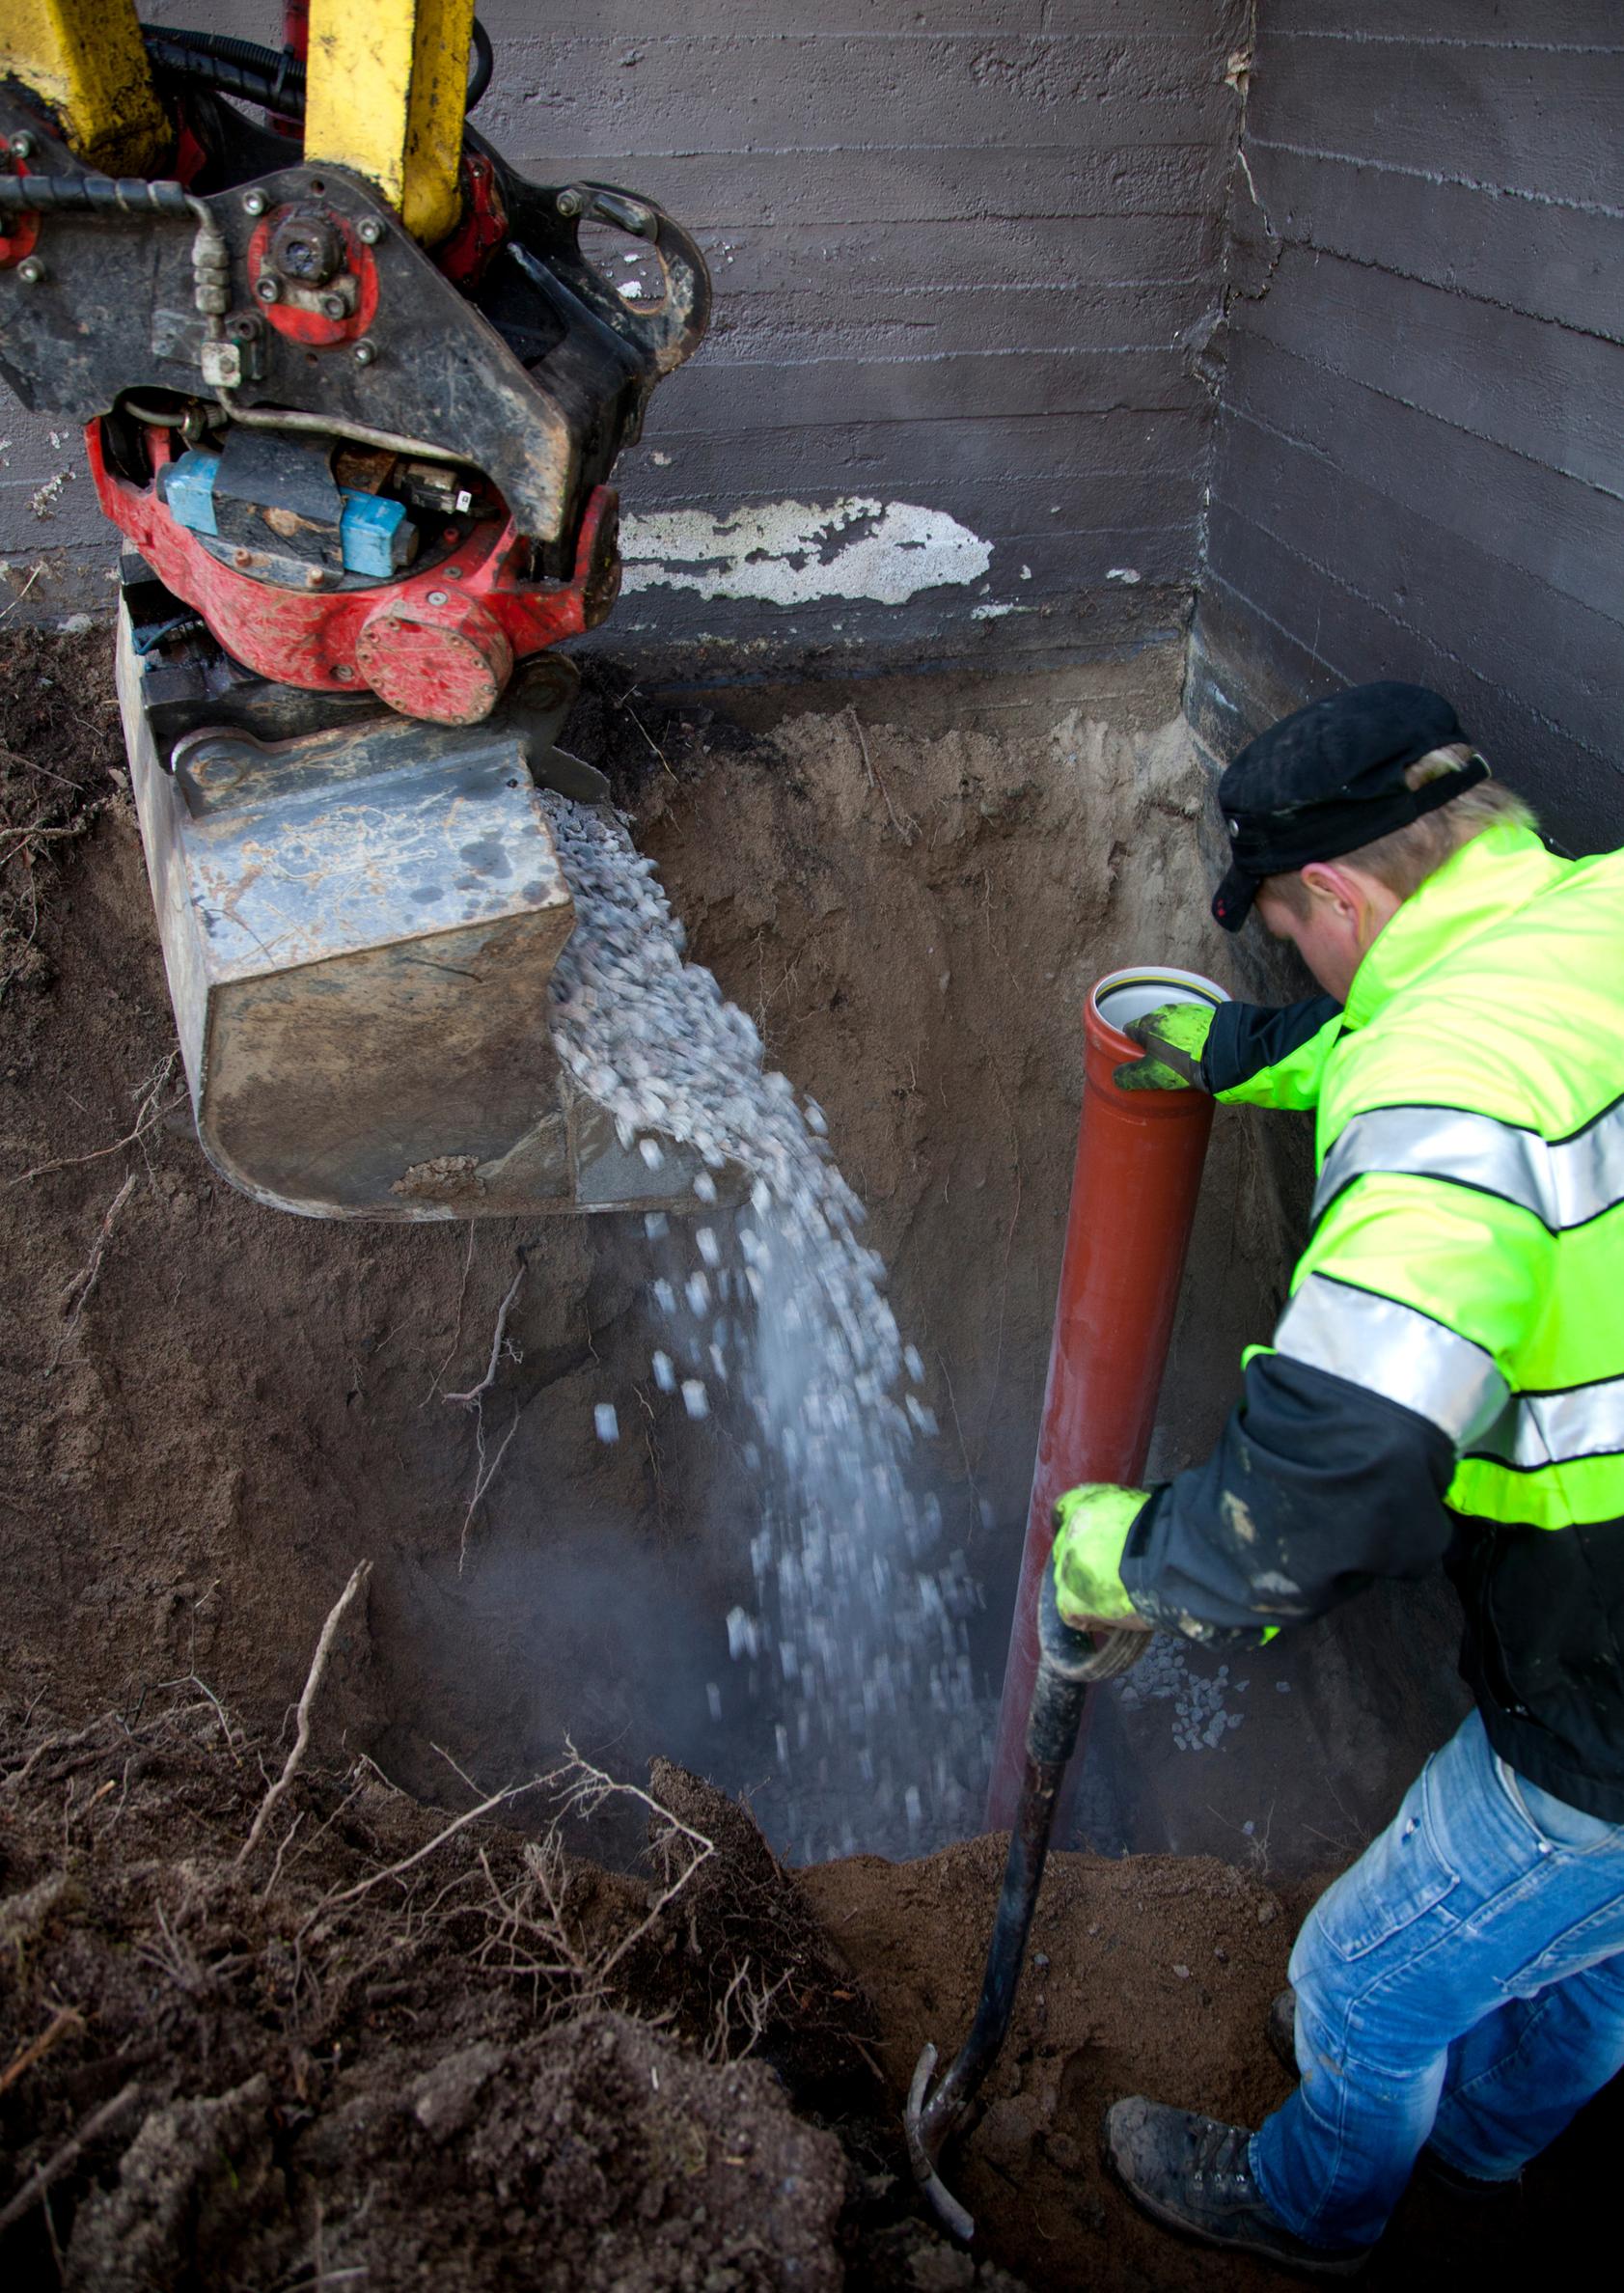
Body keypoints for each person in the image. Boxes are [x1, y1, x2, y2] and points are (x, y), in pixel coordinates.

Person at [1046, 681, 1624, 2276]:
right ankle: (1488, 2143)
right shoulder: (1585, 921)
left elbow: (1327, 1489)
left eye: (1291, 933)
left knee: (1361, 1984)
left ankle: (1313, 2211)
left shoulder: (1447, 1101)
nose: (1294, 958)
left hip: (1606, 1693)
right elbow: (1440, 1021)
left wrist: (1136, 1558)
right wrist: (1240, 1052)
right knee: (1606, 1963)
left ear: (1340, 894)